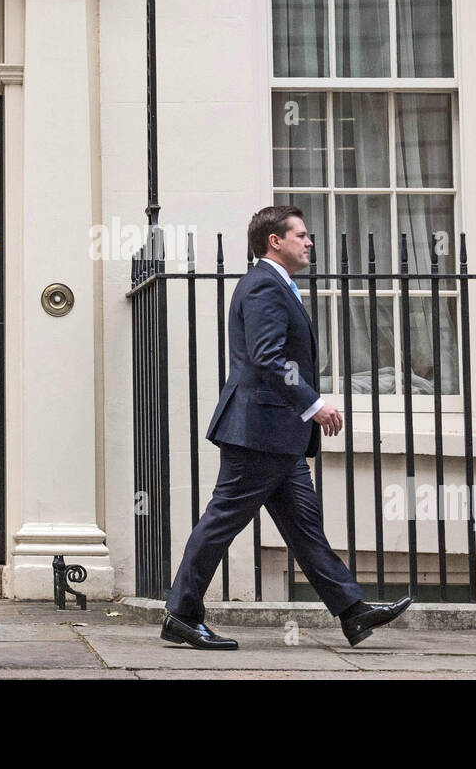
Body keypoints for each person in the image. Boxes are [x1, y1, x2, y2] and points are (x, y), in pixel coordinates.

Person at [161, 205, 412, 650]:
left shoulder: (278, 286)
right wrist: (312, 403)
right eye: (301, 234)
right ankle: (181, 613)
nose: (309, 241)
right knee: (222, 521)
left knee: (303, 528)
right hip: (259, 429)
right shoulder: (263, 286)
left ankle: (352, 612)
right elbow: (267, 357)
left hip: (278, 434)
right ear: (274, 241)